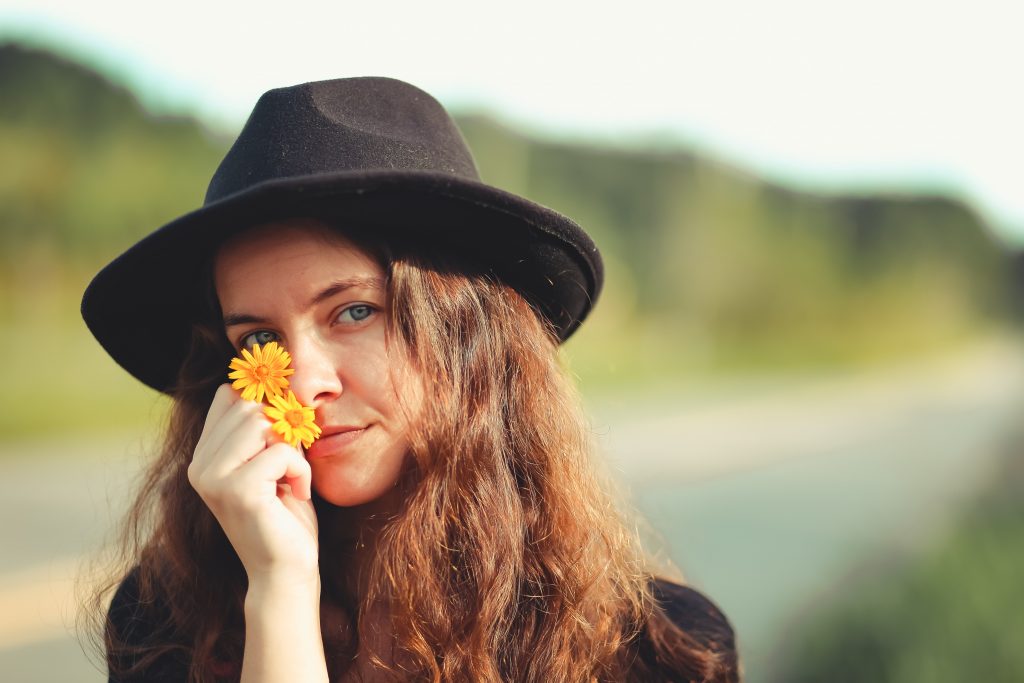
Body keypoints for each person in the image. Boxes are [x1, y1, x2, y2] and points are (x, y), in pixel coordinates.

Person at [82, 77, 740, 682]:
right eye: (259, 338)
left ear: (467, 332)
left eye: (355, 310)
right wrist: (279, 591)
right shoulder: (165, 628)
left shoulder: (657, 650)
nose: (303, 385)